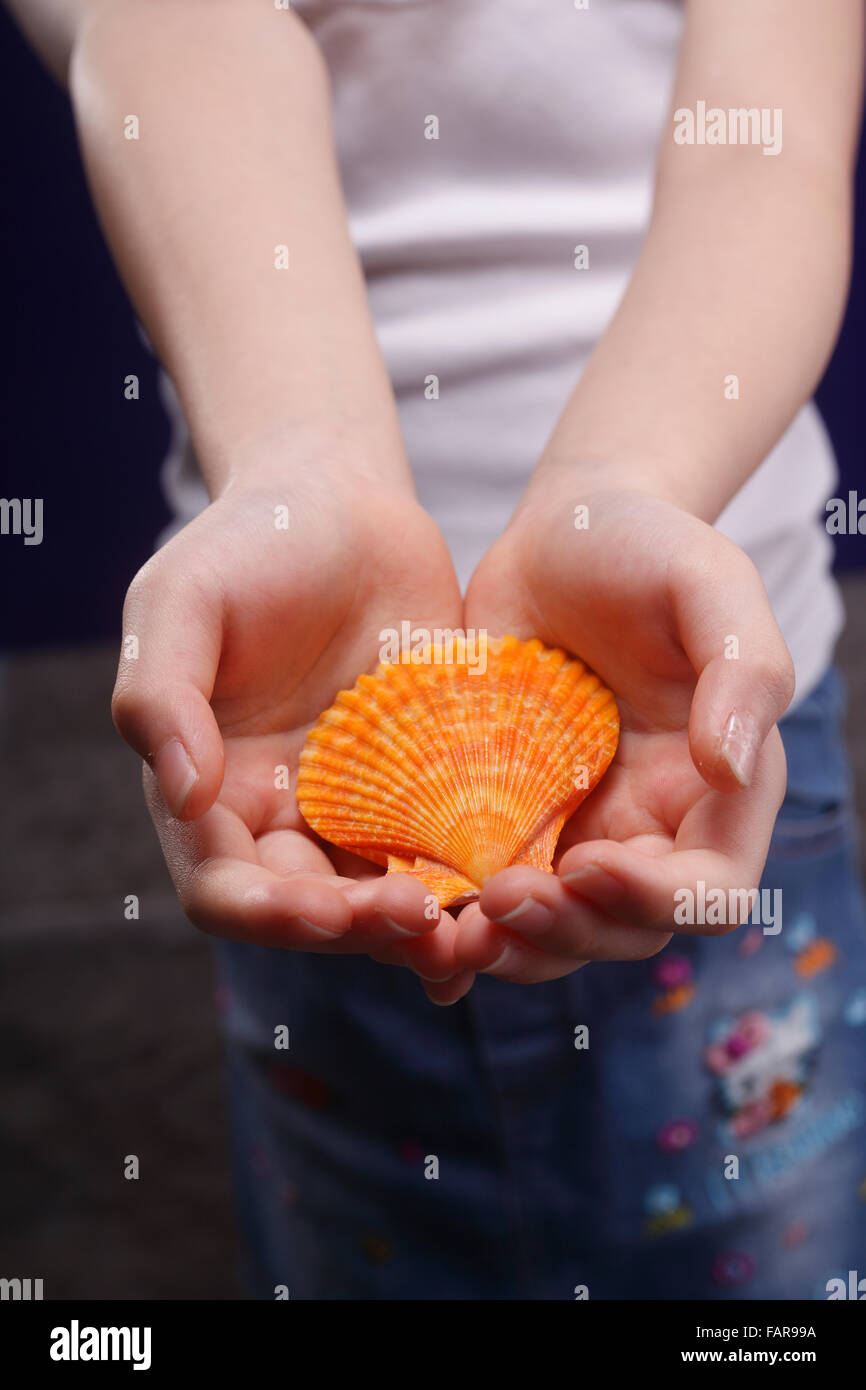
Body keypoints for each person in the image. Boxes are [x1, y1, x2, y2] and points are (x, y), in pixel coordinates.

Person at [10, 0, 866, 1298]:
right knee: (356, 1218)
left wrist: (619, 480)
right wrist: (304, 458)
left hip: (686, 695)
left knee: (756, 1254)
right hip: (288, 714)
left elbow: (766, 139)